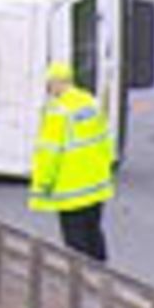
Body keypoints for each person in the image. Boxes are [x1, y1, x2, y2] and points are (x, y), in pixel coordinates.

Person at [29, 61, 115, 262]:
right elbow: (105, 141)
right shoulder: (90, 103)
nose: (49, 90)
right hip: (96, 185)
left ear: (57, 83)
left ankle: (81, 283)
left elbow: (49, 153)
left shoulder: (58, 112)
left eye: (49, 85)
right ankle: (103, 277)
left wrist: (42, 185)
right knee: (94, 232)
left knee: (75, 241)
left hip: (71, 190)